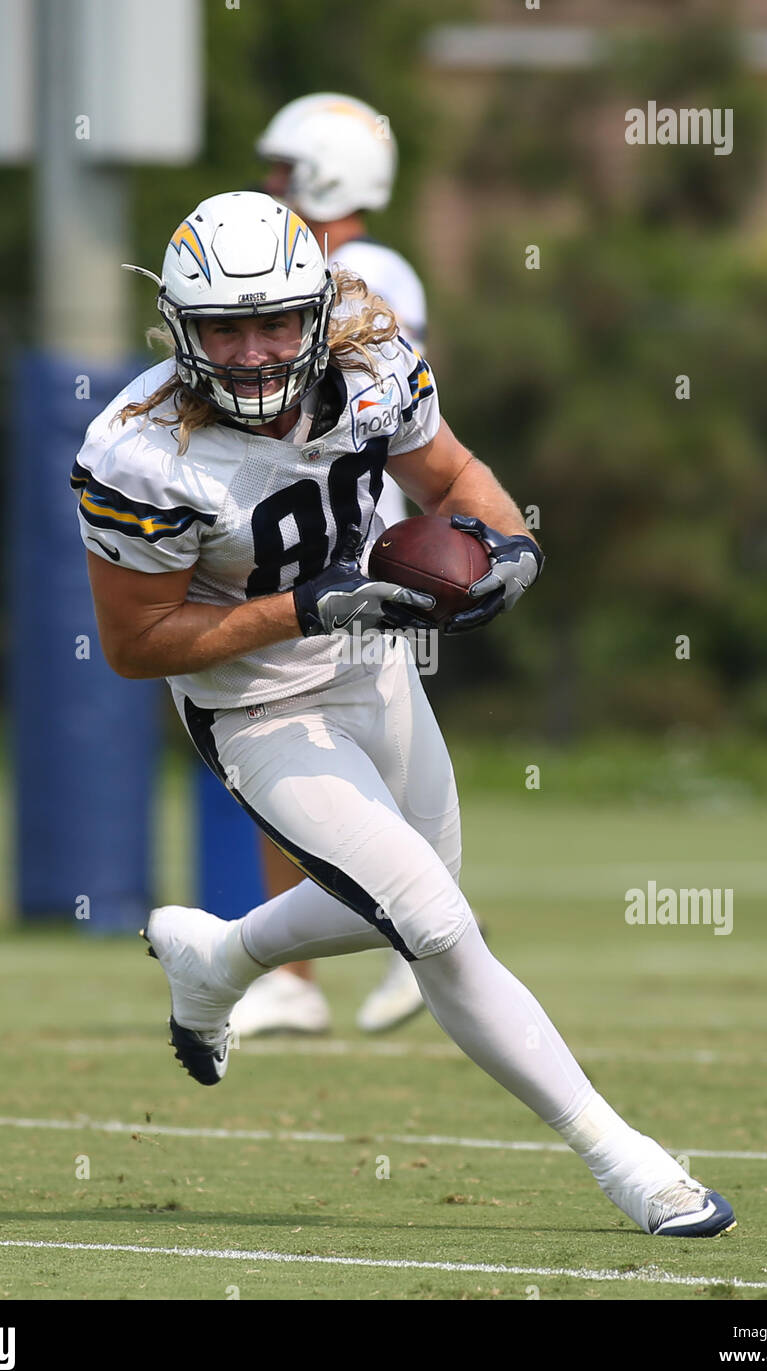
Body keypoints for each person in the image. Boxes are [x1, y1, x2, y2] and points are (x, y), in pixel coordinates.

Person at [74, 190, 737, 1238]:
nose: (251, 353)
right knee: (431, 921)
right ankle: (628, 1160)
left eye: (274, 322)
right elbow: (134, 645)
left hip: (372, 664)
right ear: (181, 331)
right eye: (224, 329)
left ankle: (220, 958)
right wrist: (295, 605)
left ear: (316, 309)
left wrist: (506, 544)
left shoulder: (372, 364)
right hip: (256, 706)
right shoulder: (139, 452)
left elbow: (455, 477)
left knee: (403, 900)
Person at [231, 92, 430, 1037]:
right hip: (321, 541)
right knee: (294, 761)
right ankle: (305, 970)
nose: (272, 187)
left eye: (285, 170)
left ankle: (402, 948)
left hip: (347, 548)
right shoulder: (350, 265)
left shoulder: (357, 268)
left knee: (335, 760)